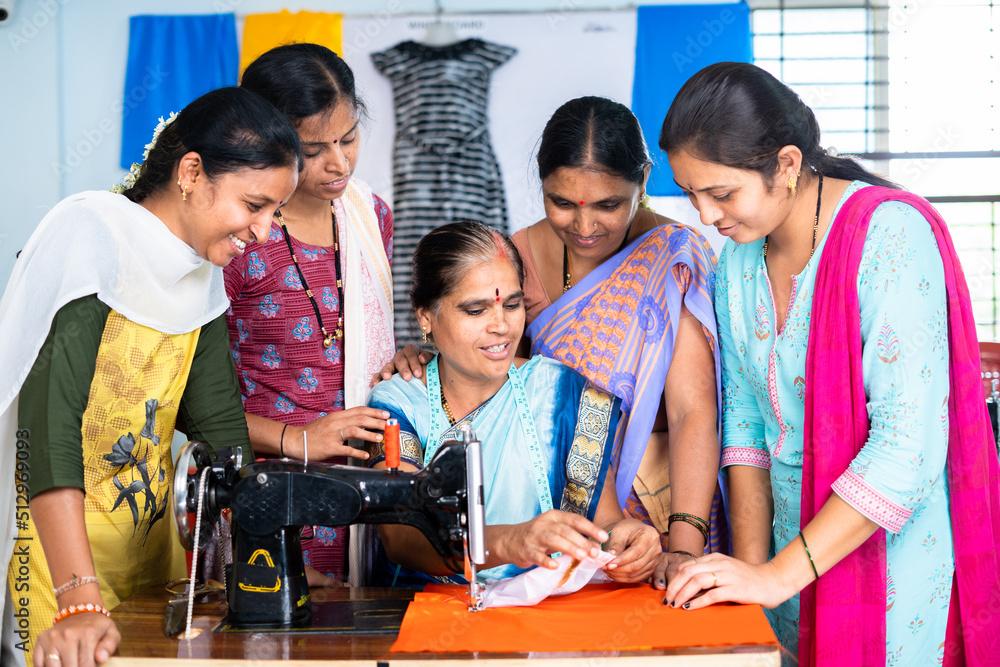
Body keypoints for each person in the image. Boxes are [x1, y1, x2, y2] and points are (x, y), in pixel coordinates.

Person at [659, 62, 1000, 666]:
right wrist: (754, 577)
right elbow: (745, 431)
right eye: (691, 194)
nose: (704, 216)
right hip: (786, 567)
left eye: (721, 193)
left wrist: (776, 577)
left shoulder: (891, 236)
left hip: (892, 565)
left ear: (786, 165)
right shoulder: (737, 264)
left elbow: (906, 449)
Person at [0, 87, 301, 667]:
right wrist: (76, 596)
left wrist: (265, 558)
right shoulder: (90, 236)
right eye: (254, 205)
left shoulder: (202, 272)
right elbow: (47, 427)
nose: (264, 233)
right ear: (192, 171)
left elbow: (221, 433)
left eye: (274, 213)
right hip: (55, 561)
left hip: (151, 559)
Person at [380, 97, 724, 587]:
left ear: (644, 179)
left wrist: (683, 545)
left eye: (608, 204)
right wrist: (428, 356)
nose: (584, 228)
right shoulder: (517, 255)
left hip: (665, 501)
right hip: (541, 517)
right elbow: (498, 387)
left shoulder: (673, 259)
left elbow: (693, 412)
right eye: (562, 203)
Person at [366, 222, 660, 585]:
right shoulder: (396, 404)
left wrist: (627, 540)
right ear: (426, 317)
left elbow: (606, 523)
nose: (501, 326)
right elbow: (401, 538)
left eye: (513, 304)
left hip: (542, 615)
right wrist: (511, 541)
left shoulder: (560, 391)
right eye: (476, 310)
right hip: (423, 616)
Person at [228, 43, 396, 585]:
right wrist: (299, 440)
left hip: (361, 492)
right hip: (264, 492)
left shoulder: (370, 216)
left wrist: (406, 357)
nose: (340, 163)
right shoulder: (236, 236)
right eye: (314, 148)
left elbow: (366, 340)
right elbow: (188, 399)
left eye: (348, 139)